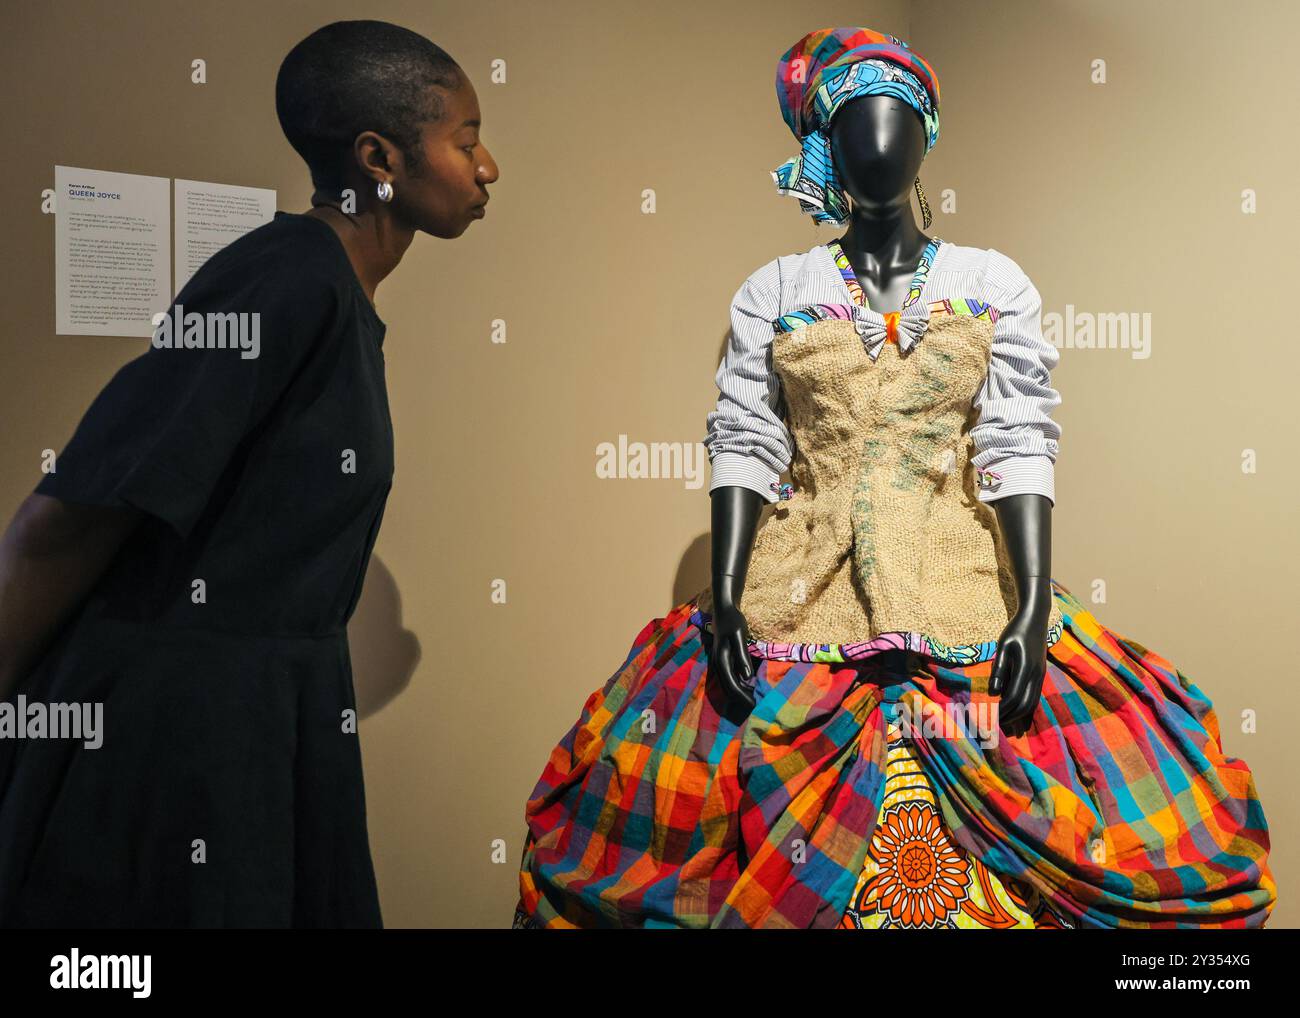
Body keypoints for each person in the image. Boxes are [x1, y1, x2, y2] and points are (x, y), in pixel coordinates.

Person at [514, 27, 1274, 929]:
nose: (878, 145)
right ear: (823, 148)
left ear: (928, 137)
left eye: (898, 122)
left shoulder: (992, 281)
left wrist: (1032, 603)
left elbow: (1017, 439)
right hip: (795, 594)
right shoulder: (778, 287)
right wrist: (723, 594)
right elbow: (747, 441)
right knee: (700, 830)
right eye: (853, 128)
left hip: (965, 594)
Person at [0, 18, 498, 927]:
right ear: (379, 156)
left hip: (261, 722)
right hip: (177, 738)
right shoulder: (285, 279)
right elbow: (66, 518)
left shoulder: (331, 292)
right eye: (465, 142)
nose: (488, 166)